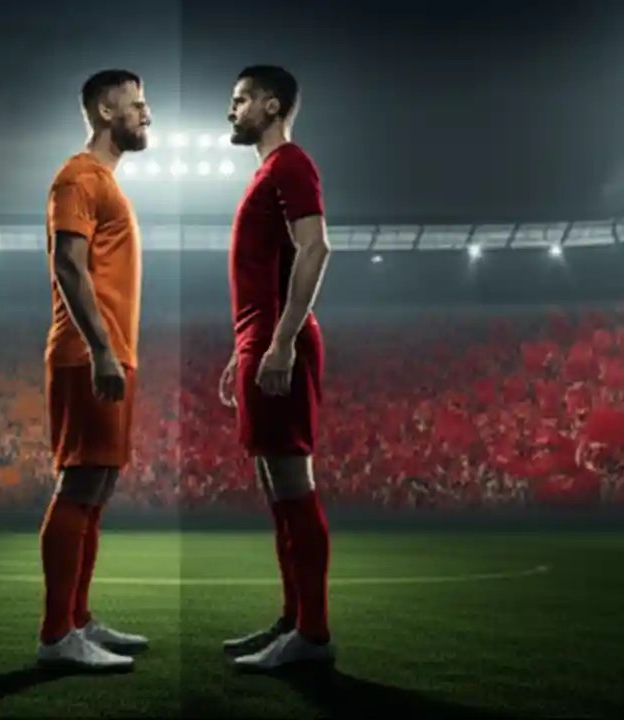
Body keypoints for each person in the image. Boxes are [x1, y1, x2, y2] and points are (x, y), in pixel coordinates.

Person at [218, 65, 335, 671]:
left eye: (241, 99)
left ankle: (313, 636)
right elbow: (265, 273)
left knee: (294, 488)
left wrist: (281, 342)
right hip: (259, 343)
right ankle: (293, 623)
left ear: (271, 104)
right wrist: (240, 349)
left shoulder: (291, 163)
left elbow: (316, 247)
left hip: (277, 345)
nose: (232, 109)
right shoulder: (267, 173)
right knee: (278, 495)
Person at [36, 69, 151, 671]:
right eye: (137, 104)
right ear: (107, 112)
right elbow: (69, 266)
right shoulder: (78, 177)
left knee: (98, 489)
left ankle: (78, 620)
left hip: (109, 352)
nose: (147, 114)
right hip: (87, 353)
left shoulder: (104, 182)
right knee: (80, 485)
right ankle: (57, 635)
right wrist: (102, 349)